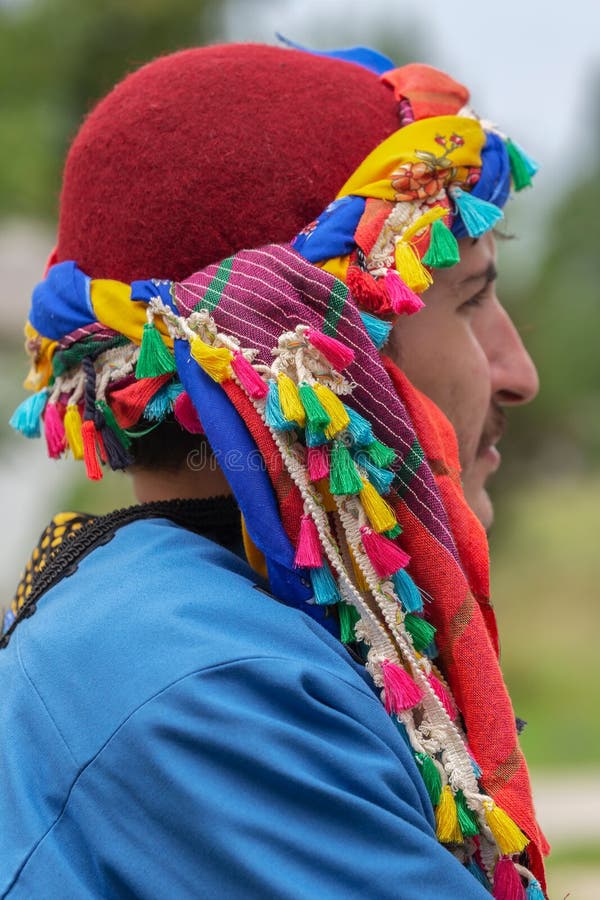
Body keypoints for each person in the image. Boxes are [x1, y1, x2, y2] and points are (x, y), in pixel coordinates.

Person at [1, 41, 550, 898]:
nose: (518, 373)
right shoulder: (208, 687)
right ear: (310, 360)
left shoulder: (193, 626)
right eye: (472, 300)